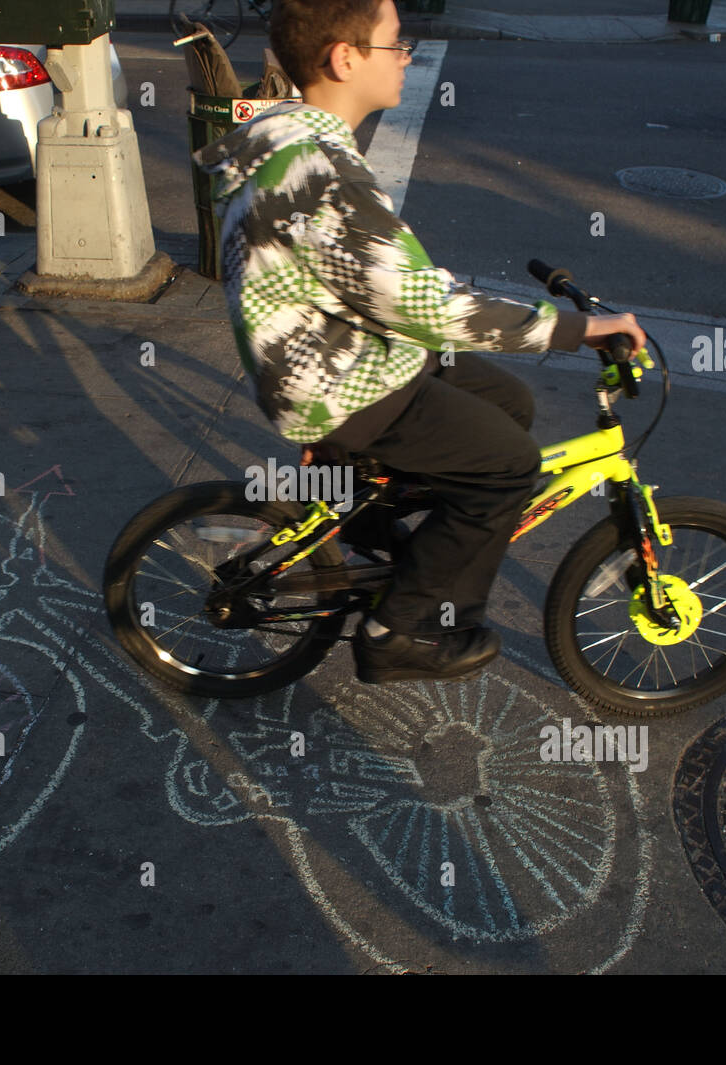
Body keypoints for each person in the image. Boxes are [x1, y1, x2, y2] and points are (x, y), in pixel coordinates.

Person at [194, 0, 646, 684]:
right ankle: (397, 628)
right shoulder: (319, 174)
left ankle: (379, 519)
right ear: (344, 59)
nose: (406, 56)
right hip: (333, 381)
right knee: (509, 465)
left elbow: (378, 278)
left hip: (339, 345)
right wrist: (577, 329)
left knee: (509, 402)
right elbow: (420, 306)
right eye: (395, 44)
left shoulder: (295, 137)